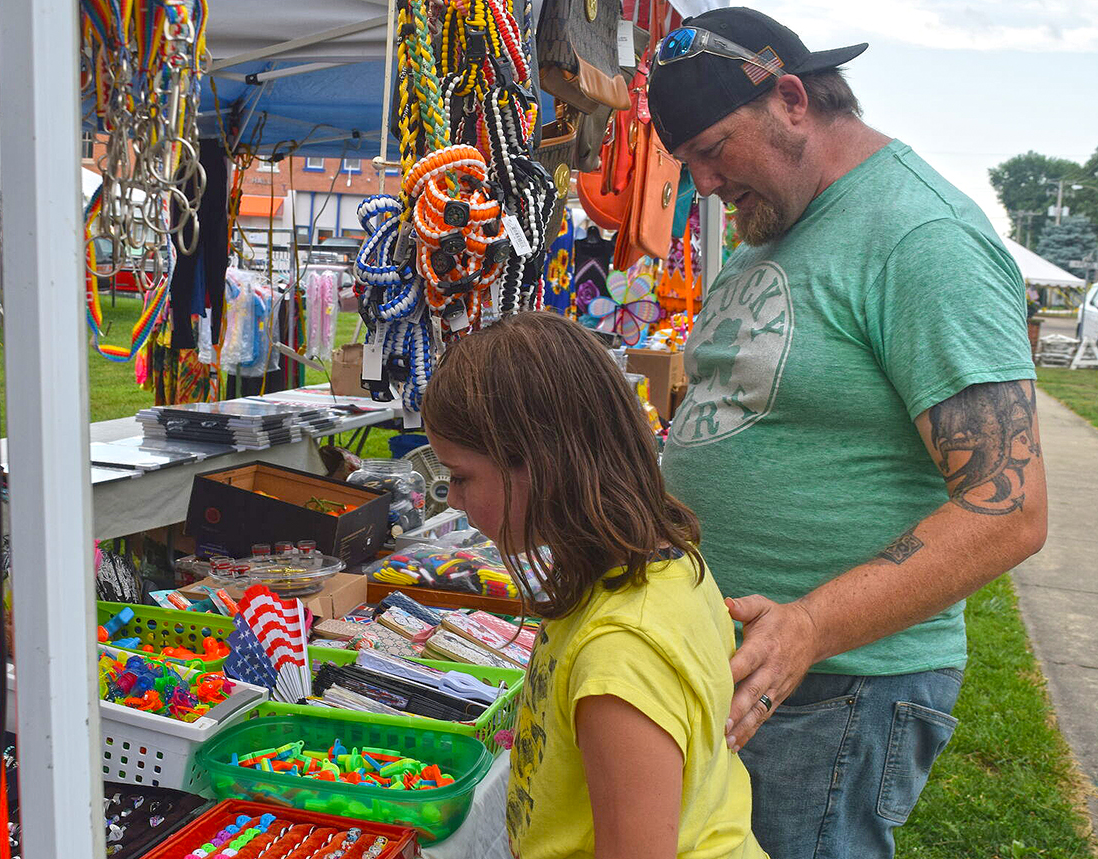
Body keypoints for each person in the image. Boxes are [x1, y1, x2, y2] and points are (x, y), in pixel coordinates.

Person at [646, 8, 1048, 858]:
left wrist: (810, 626)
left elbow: (1008, 506)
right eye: (688, 166)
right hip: (748, 664)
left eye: (714, 152)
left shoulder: (921, 236)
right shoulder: (773, 227)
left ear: (791, 98)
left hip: (836, 688)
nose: (705, 185)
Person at [422, 312, 767, 859]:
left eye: (460, 477)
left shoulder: (621, 653)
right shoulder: (655, 564)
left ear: (543, 464)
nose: (455, 501)